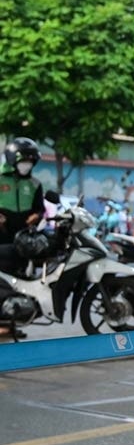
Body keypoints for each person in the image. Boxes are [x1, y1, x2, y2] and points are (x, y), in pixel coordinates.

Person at [0, 137, 44, 339]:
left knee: (19, 282)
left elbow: (40, 209)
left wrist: (37, 216)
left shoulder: (35, 184)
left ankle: (11, 321)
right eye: (23, 160)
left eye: (30, 161)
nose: (27, 164)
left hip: (23, 240)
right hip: (2, 236)